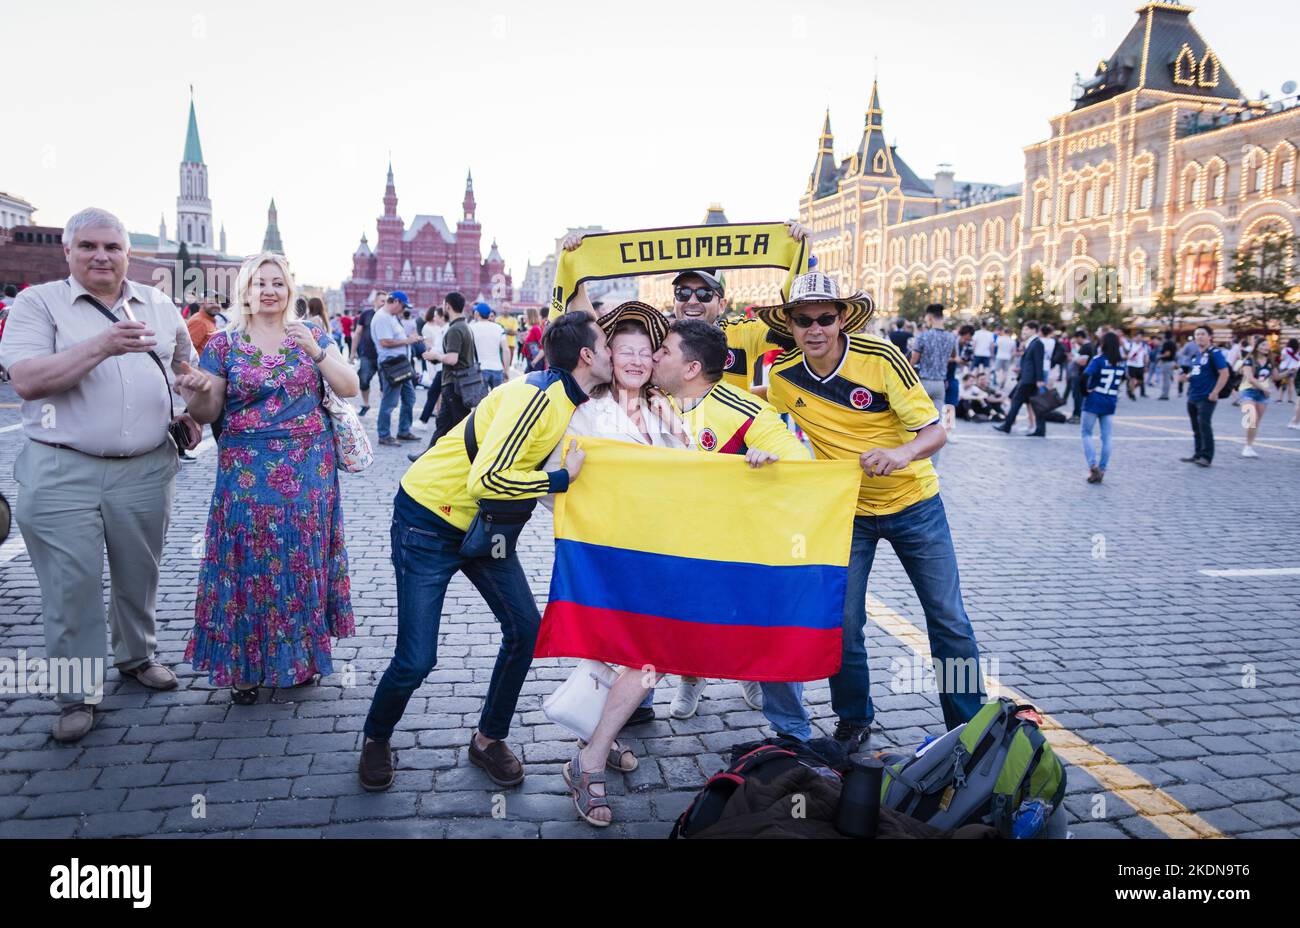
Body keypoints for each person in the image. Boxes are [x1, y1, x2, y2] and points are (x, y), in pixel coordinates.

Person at [358, 311, 612, 793]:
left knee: (524, 630)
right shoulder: (537, 397)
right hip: (428, 520)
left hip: (484, 528)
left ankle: (488, 738)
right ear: (586, 356)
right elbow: (488, 479)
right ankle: (376, 737)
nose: (613, 354)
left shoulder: (568, 398)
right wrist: (560, 480)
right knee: (416, 659)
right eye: (606, 345)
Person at [758, 272, 985, 747]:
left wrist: (901, 454)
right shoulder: (782, 375)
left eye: (825, 318)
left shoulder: (880, 357)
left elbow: (935, 430)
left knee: (948, 620)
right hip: (847, 512)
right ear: (791, 325)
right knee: (842, 622)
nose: (815, 328)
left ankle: (970, 728)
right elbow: (761, 414)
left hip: (915, 503)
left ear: (842, 319)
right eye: (803, 320)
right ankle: (854, 719)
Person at [1, 207, 201, 742]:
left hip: (146, 467)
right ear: (67, 251)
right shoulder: (37, 303)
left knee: (141, 574)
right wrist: (102, 344)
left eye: (112, 247)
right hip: (62, 468)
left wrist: (189, 406)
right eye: (88, 246)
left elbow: (185, 368)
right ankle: (75, 694)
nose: (101, 256)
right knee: (72, 588)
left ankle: (137, 656)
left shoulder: (159, 304)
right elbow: (28, 380)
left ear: (127, 253)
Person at [174, 252, 359, 702]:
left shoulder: (312, 333)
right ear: (246, 292)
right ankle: (244, 665)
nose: (269, 291)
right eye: (260, 283)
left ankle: (299, 659)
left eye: (277, 282)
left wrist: (316, 352)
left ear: (290, 289)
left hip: (309, 471)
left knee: (300, 563)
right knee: (246, 566)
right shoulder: (223, 344)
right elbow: (208, 411)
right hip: (246, 472)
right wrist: (195, 393)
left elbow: (349, 386)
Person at [537, 304, 690, 825]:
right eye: (623, 350)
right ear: (605, 357)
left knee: (636, 651)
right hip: (609, 550)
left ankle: (598, 739)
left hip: (659, 547)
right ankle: (592, 759)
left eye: (645, 353)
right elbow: (551, 476)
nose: (635, 360)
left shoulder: (664, 411)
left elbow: (694, 468)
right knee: (645, 651)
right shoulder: (584, 411)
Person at [649, 318, 812, 732]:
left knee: (764, 626)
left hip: (742, 546)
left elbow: (802, 465)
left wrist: (765, 460)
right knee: (679, 621)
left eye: (663, 351)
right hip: (677, 543)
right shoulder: (646, 404)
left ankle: (791, 730)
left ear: (691, 369)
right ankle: (690, 678)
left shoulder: (744, 408)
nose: (653, 356)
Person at [560, 222, 810, 398]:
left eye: (703, 293)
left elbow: (796, 319)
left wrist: (800, 252)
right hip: (674, 455)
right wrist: (576, 270)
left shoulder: (743, 335)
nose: (692, 300)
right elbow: (590, 334)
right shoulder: (655, 338)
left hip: (728, 456)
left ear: (722, 304)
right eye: (683, 292)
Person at [413, 291, 478, 457]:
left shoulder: (456, 329)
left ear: (447, 306)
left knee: (457, 424)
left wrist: (435, 356)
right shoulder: (464, 327)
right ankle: (428, 457)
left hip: (454, 384)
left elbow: (452, 358)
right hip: (456, 383)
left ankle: (466, 458)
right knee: (443, 423)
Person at [371, 290, 421, 446]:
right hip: (391, 364)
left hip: (400, 363)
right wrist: (407, 341)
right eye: (403, 306)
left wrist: (409, 340)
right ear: (396, 302)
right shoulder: (382, 318)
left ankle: (403, 430)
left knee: (409, 398)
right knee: (390, 401)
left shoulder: (391, 317)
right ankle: (384, 434)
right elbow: (385, 342)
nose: (404, 310)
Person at [1177, 326, 1230, 467]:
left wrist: (1215, 392)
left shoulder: (1215, 353)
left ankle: (1207, 456)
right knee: (1196, 428)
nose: (1199, 337)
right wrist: (1185, 377)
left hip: (1207, 397)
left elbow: (1224, 373)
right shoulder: (1196, 355)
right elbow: (1195, 374)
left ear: (1209, 337)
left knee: (1204, 426)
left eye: (1202, 334)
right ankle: (1198, 454)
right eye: (1197, 334)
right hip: (1193, 396)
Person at [1079, 331, 1125, 483]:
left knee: (1086, 433)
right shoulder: (1120, 362)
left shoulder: (1098, 360)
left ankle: (1093, 464)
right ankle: (1103, 469)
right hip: (1110, 400)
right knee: (1107, 437)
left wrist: (1085, 391)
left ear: (1103, 344)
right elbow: (1122, 379)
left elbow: (1084, 376)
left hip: (1095, 398)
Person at [993, 320, 1045, 437]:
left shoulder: (1037, 343)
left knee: (1017, 401)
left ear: (1033, 330)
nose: (1023, 331)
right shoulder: (1031, 343)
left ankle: (1007, 426)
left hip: (1029, 380)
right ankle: (1039, 429)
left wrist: (1039, 379)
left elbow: (1038, 362)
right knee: (1034, 404)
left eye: (1026, 329)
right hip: (1027, 378)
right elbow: (1030, 362)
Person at [352, 290, 386, 416]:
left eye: (386, 301)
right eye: (382, 301)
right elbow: (358, 333)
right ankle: (366, 404)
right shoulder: (366, 314)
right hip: (367, 354)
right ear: (375, 301)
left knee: (385, 384)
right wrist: (352, 353)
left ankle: (383, 409)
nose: (384, 303)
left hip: (383, 356)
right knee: (363, 380)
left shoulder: (388, 316)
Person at [1238, 337, 1273, 458]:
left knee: (1256, 422)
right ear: (1257, 347)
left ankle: (1249, 446)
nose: (1266, 347)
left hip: (1262, 395)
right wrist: (1264, 389)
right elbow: (1250, 378)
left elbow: (1277, 377)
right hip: (1248, 391)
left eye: (1267, 345)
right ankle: (1247, 447)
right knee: (1252, 418)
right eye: (1263, 345)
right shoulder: (1250, 360)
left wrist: (1290, 371)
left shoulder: (1270, 361)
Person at [416, 306, 448, 429]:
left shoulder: (445, 330)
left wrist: (432, 354)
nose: (435, 318)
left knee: (434, 392)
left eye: (437, 316)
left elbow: (439, 348)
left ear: (442, 317)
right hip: (438, 363)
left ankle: (426, 420)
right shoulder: (439, 329)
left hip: (441, 364)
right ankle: (434, 417)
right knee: (436, 392)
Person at [468, 301, 509, 389]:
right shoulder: (499, 328)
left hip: (479, 369)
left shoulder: (471, 328)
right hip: (497, 368)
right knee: (498, 401)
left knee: (481, 400)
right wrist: (506, 370)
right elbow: (506, 350)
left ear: (477, 313)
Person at [992, 323, 1016, 390]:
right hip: (1007, 357)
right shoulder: (1012, 341)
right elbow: (1014, 352)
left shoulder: (999, 338)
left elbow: (994, 346)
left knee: (997, 371)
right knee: (1005, 372)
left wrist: (993, 354)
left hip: (999, 356)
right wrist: (1011, 359)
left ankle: (998, 382)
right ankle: (1002, 382)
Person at [521, 307, 544, 371]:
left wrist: (534, 362)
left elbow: (543, 348)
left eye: (525, 314)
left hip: (535, 362)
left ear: (530, 316)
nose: (523, 316)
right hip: (530, 360)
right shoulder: (530, 328)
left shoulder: (535, 329)